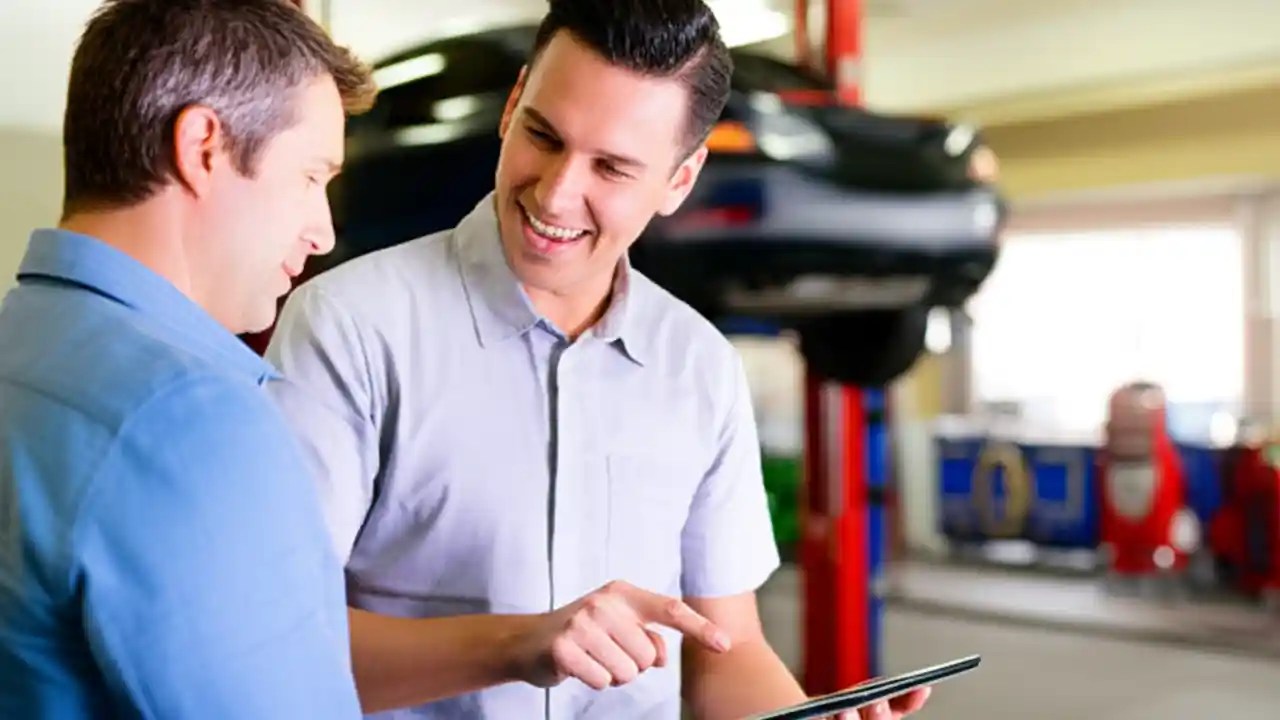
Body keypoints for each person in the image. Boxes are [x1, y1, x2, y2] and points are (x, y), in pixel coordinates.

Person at [266, 0, 932, 718]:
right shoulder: (351, 328)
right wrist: (519, 646)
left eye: (612, 168)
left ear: (679, 180)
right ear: (513, 103)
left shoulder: (698, 366)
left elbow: (727, 650)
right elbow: (271, 641)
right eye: (543, 136)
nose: (556, 192)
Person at [0, 1, 376, 717]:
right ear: (204, 146)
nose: (323, 231)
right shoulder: (190, 421)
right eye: (309, 176)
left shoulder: (20, 348)